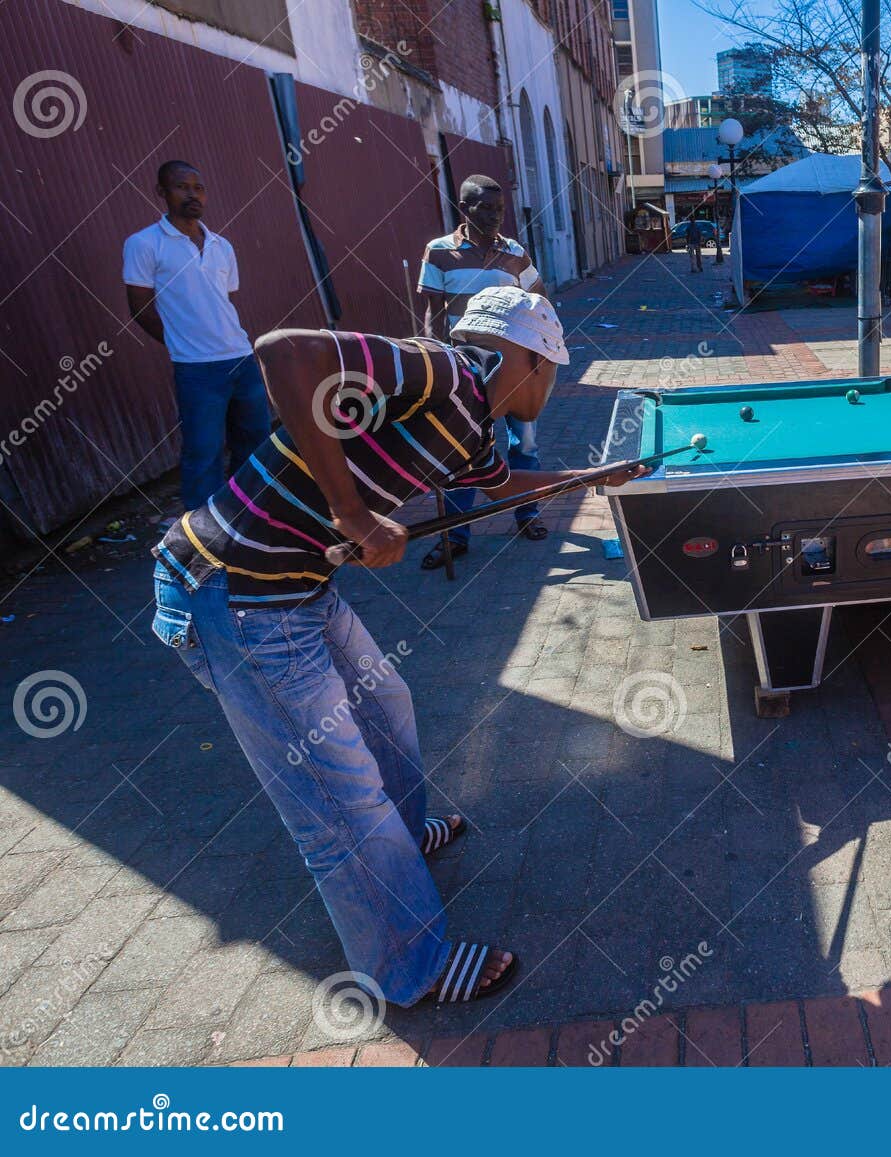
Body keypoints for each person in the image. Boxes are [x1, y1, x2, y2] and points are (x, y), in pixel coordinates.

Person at [150, 287, 646, 1008]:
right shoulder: (440, 370)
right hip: (234, 593)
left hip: (294, 586)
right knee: (340, 802)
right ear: (527, 359)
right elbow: (284, 352)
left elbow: (499, 484)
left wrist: (588, 479)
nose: (554, 386)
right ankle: (411, 965)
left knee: (385, 702)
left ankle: (403, 842)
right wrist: (353, 510)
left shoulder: (477, 428)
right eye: (553, 369)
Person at [124, 160, 271, 522]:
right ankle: (202, 530)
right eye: (181, 187)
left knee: (255, 442)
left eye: (198, 187)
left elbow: (225, 302)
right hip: (196, 369)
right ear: (161, 192)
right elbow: (140, 308)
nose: (192, 194)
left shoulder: (222, 245)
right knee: (203, 451)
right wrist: (179, 343)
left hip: (241, 359)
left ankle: (245, 517)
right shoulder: (144, 244)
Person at [417, 175, 547, 569]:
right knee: (461, 452)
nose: (494, 217)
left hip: (515, 370)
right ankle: (455, 535)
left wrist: (539, 351)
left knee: (524, 444)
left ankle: (528, 515)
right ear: (464, 209)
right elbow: (433, 311)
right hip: (466, 370)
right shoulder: (439, 252)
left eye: (499, 209)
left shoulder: (514, 251)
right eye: (485, 208)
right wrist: (434, 358)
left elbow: (537, 300)